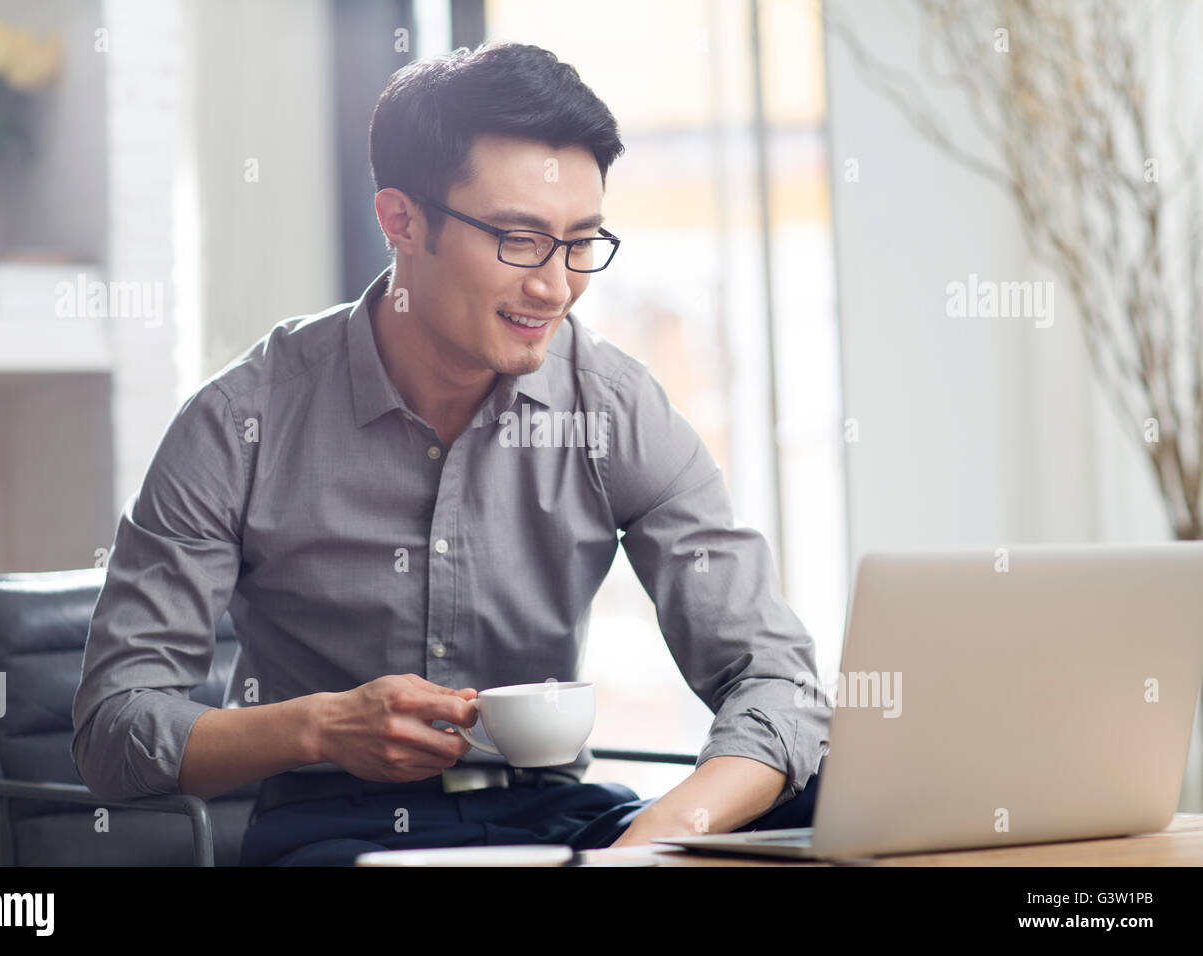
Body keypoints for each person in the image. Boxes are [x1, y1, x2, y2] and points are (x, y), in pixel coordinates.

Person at [71, 40, 832, 867]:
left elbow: (778, 683)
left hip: (558, 822)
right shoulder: (240, 420)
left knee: (814, 803)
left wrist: (656, 842)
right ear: (401, 220)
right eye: (518, 239)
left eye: (581, 242)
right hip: (333, 834)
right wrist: (320, 726)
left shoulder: (611, 406)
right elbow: (114, 729)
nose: (555, 286)